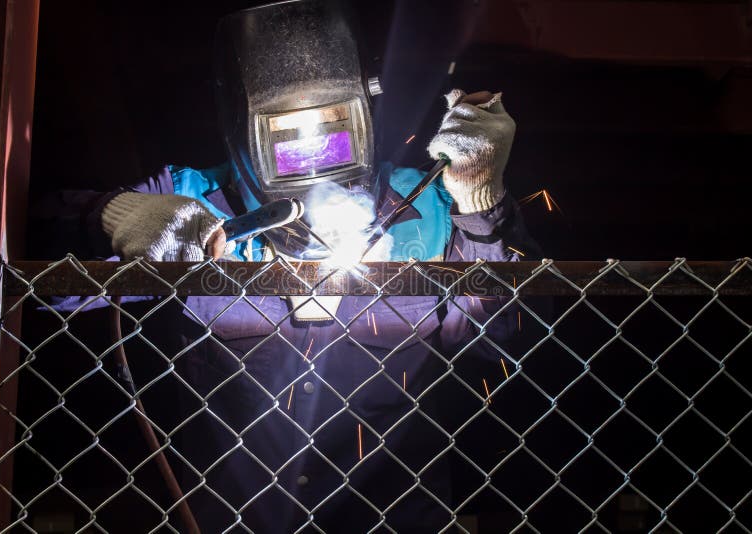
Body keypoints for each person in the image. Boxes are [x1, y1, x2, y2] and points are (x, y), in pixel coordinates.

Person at [35, 0, 540, 531]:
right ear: (243, 126)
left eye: (331, 130)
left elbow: (501, 338)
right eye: (288, 138)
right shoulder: (192, 201)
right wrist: (114, 217)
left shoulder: (432, 212)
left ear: (363, 112)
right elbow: (42, 277)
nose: (315, 158)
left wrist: (482, 206)